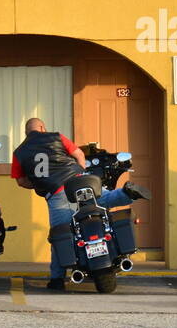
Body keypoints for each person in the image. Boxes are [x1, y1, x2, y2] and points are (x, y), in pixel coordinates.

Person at [11, 117, 150, 290]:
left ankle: (57, 279)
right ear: (41, 127)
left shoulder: (19, 152)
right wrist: (81, 173)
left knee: (60, 235)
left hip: (56, 192)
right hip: (80, 180)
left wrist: (41, 183)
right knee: (103, 199)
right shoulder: (56, 137)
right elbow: (79, 154)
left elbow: (21, 181)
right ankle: (126, 194)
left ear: (26, 132)